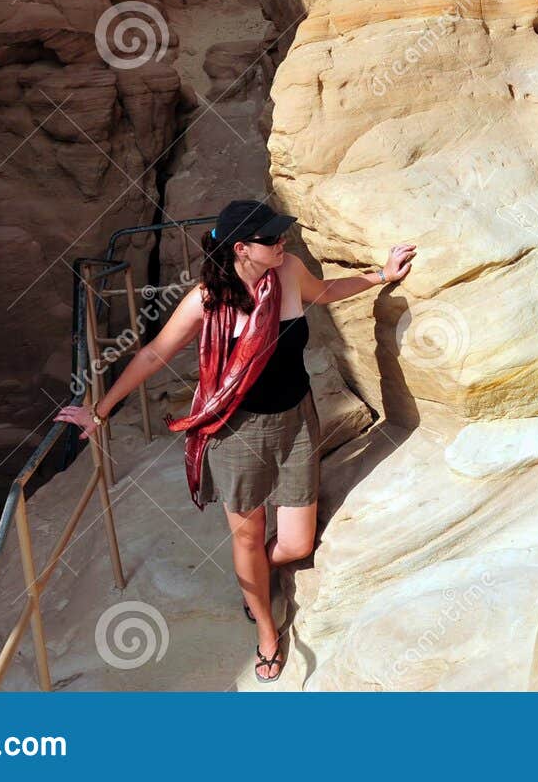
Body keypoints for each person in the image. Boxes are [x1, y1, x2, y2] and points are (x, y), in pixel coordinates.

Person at [55, 199, 415, 683]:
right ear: (242, 249)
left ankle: (254, 576)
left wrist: (381, 275)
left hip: (295, 422)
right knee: (246, 534)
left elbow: (326, 292)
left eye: (281, 234)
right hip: (235, 432)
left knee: (295, 544)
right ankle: (266, 629)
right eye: (271, 238)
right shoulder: (206, 300)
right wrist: (98, 411)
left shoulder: (288, 270)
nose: (282, 242)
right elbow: (154, 354)